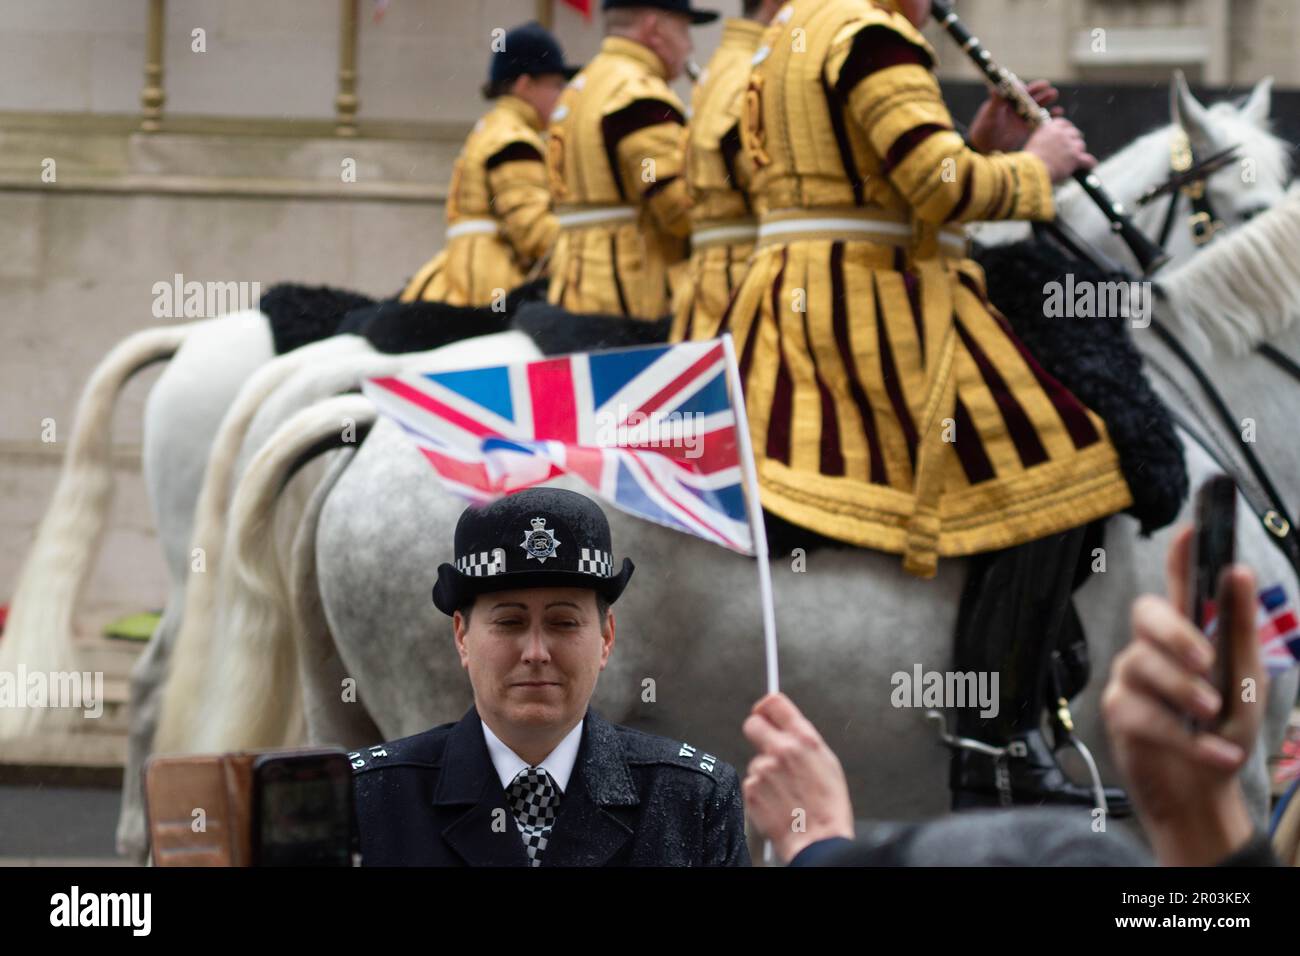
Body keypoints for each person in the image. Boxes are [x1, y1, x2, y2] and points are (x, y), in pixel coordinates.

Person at [725, 0, 1135, 807]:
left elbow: (881, 175)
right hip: (871, 305)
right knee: (1065, 460)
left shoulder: (789, 32)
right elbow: (938, 191)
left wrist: (979, 142)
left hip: (790, 296)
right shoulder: (875, 36)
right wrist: (1039, 165)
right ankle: (998, 743)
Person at [739, 527, 1279, 866]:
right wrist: (1200, 816)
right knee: (1068, 438)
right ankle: (998, 739)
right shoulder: (1077, 856)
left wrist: (822, 845)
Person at [350, 487, 750, 866]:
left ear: (606, 636)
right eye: (509, 622)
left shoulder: (693, 801)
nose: (536, 653)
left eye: (563, 622)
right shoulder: (368, 799)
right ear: (462, 636)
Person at [545, 0, 718, 321]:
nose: (689, 45)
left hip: (574, 285)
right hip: (633, 296)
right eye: (683, 29)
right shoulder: (639, 94)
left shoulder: (579, 88)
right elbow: (678, 211)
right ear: (655, 30)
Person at [401, 22, 577, 306]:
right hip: (489, 278)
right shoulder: (514, 139)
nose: (562, 95)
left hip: (465, 264)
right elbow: (533, 232)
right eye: (556, 85)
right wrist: (589, 251)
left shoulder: (496, 127)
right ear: (525, 85)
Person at [669, 0, 782, 342]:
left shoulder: (723, 65)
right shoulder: (757, 66)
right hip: (743, 281)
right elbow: (773, 189)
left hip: (707, 280)